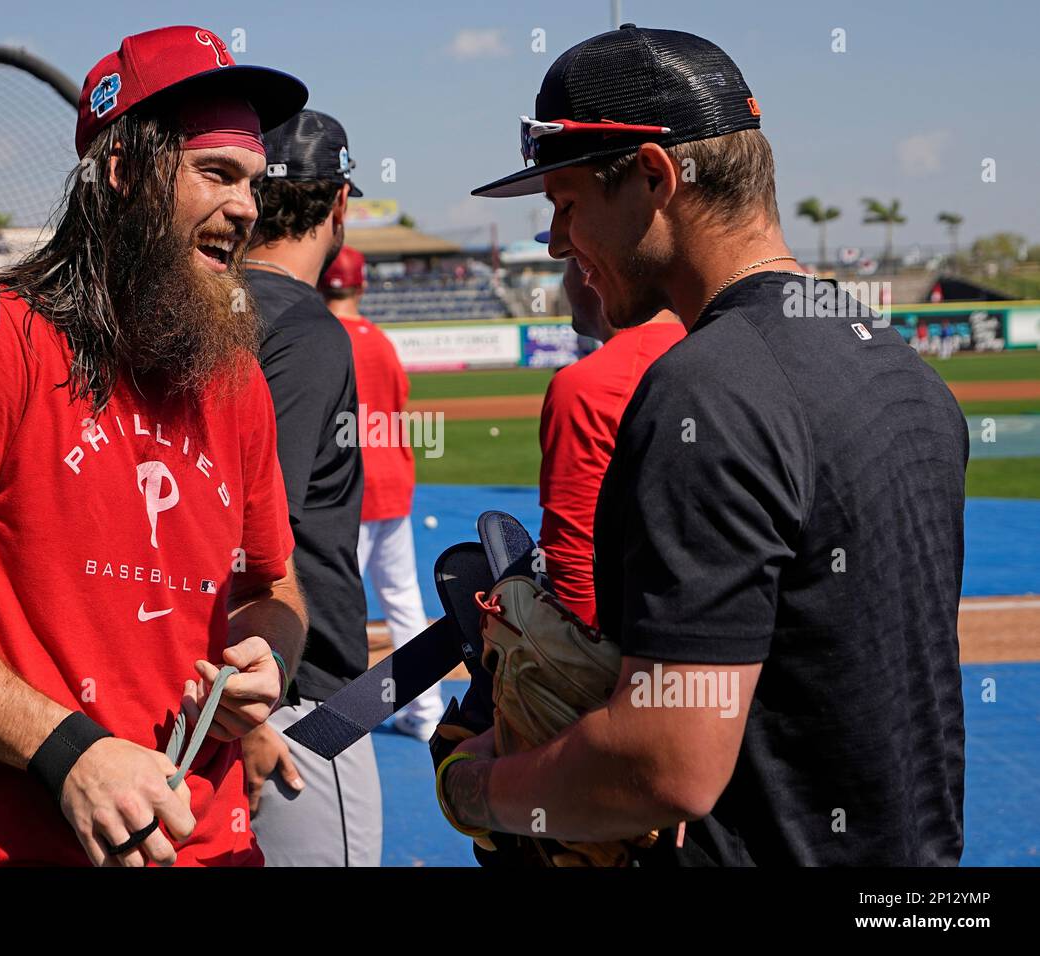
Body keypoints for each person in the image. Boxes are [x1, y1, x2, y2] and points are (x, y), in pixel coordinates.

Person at [443, 24, 967, 865]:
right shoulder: (901, 366)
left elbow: (667, 765)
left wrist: (477, 787)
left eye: (568, 203)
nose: (557, 241)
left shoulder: (707, 389)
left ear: (654, 175)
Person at [0, 25, 311, 867]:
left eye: (255, 183)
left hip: (206, 844)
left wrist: (266, 661)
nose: (246, 209)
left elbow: (275, 589)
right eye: (215, 174)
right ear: (121, 171)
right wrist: (68, 749)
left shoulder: (235, 383)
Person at [242, 110, 382, 866]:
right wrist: (256, 711)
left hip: (228, 686)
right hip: (293, 695)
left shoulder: (205, 308)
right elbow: (259, 532)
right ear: (338, 205)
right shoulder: (304, 330)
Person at [320, 245, 444, 738]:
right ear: (361, 284)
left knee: (335, 602)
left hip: (346, 488)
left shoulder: (319, 335)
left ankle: (337, 713)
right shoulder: (379, 340)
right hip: (392, 478)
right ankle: (427, 711)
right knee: (403, 599)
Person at [537, 252, 685, 626]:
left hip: (637, 648)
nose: (564, 284)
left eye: (566, 265)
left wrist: (582, 666)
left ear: (589, 271)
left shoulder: (585, 386)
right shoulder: (721, 347)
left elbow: (571, 558)